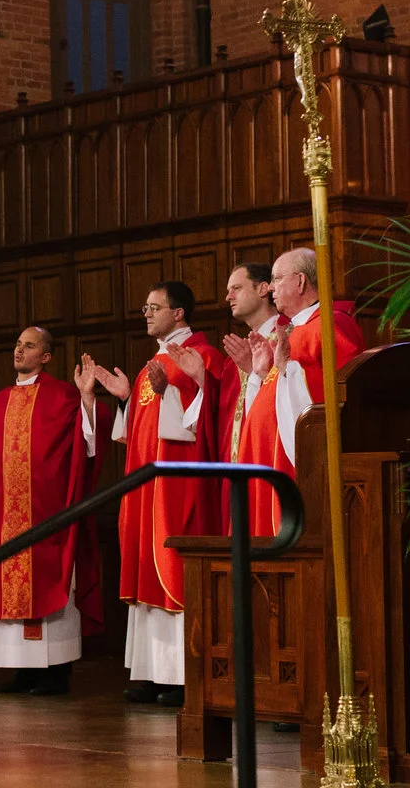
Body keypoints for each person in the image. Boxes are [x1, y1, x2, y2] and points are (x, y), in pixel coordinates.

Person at [0, 326, 101, 697]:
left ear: (46, 356)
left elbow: (86, 445)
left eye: (29, 346)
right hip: (6, 521)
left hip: (48, 519)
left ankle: (56, 672)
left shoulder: (63, 397)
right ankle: (21, 671)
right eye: (17, 344)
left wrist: (87, 397)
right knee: (8, 587)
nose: (19, 350)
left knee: (52, 588)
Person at [95, 282, 235, 707]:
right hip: (144, 487)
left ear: (179, 313)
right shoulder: (153, 363)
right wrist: (125, 401)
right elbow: (139, 432)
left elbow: (209, 421)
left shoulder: (203, 357)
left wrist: (174, 390)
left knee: (173, 569)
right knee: (144, 574)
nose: (147, 314)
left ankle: (182, 675)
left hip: (179, 487)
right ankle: (152, 672)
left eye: (154, 307)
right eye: (145, 307)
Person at [234, 247, 366, 537]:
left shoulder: (330, 326)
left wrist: (286, 371)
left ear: (301, 282)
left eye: (277, 279)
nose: (271, 289)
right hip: (268, 458)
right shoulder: (296, 330)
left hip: (295, 465)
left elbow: (339, 397)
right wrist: (260, 373)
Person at [217, 262, 281, 460]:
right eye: (228, 291)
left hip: (270, 454)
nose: (229, 297)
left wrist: (254, 372)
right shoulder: (235, 356)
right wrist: (201, 380)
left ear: (262, 289)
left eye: (236, 288)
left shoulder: (286, 339)